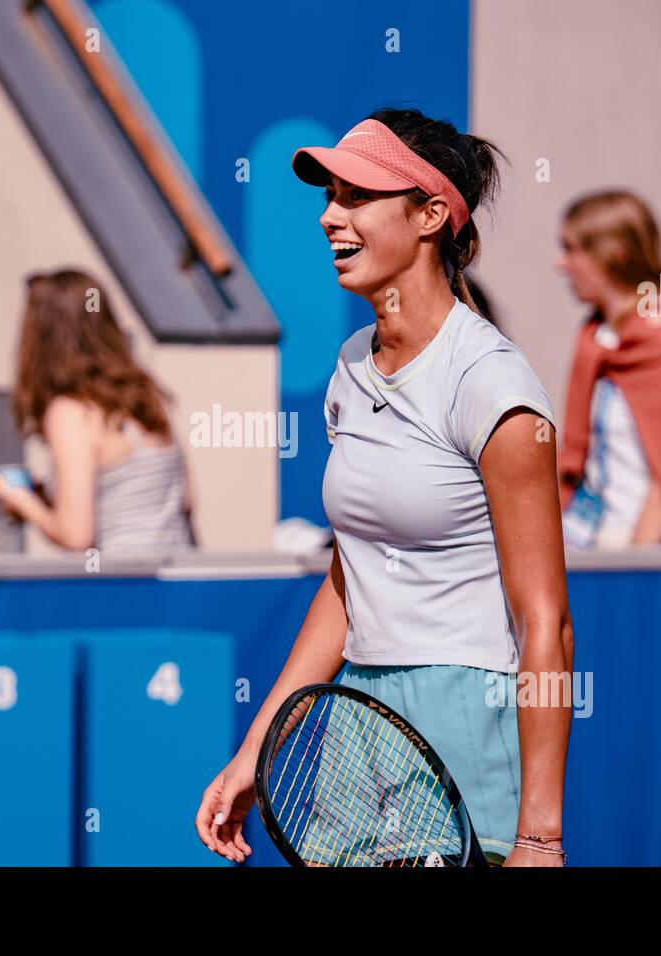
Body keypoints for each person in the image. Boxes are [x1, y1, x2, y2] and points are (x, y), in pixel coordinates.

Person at [194, 109, 573, 866]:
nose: (331, 216)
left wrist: (541, 834)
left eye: (359, 196)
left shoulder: (490, 384)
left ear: (430, 216)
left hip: (467, 720)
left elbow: (547, 623)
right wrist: (258, 751)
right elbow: (350, 581)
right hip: (358, 720)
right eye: (330, 196)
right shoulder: (350, 366)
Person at [0, 269, 195, 553]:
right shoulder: (147, 395)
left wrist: (21, 500)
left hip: (121, 575)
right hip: (176, 569)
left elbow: (76, 536)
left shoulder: (71, 413)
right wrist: (51, 496)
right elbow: (186, 499)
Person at [557, 191, 661, 549]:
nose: (560, 263)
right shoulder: (597, 336)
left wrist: (633, 568)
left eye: (571, 249)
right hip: (585, 536)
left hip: (637, 547)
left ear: (613, 254)